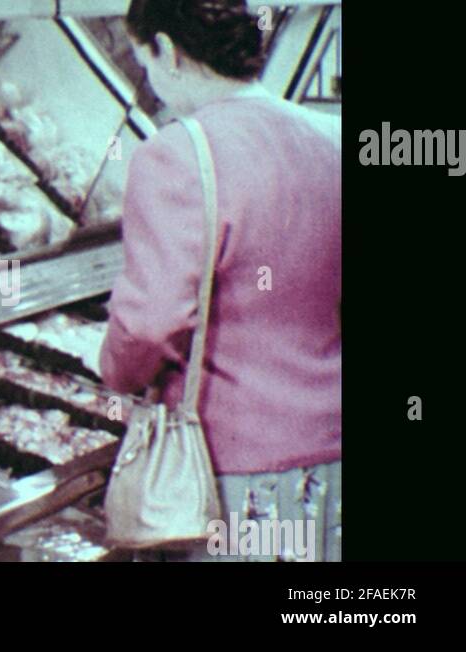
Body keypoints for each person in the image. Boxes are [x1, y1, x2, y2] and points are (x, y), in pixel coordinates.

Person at [98, 0, 341, 561]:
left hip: (232, 473)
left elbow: (148, 324)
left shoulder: (176, 153)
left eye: (146, 63)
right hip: (332, 455)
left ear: (169, 51)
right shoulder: (333, 137)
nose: (154, 84)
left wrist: (112, 370)